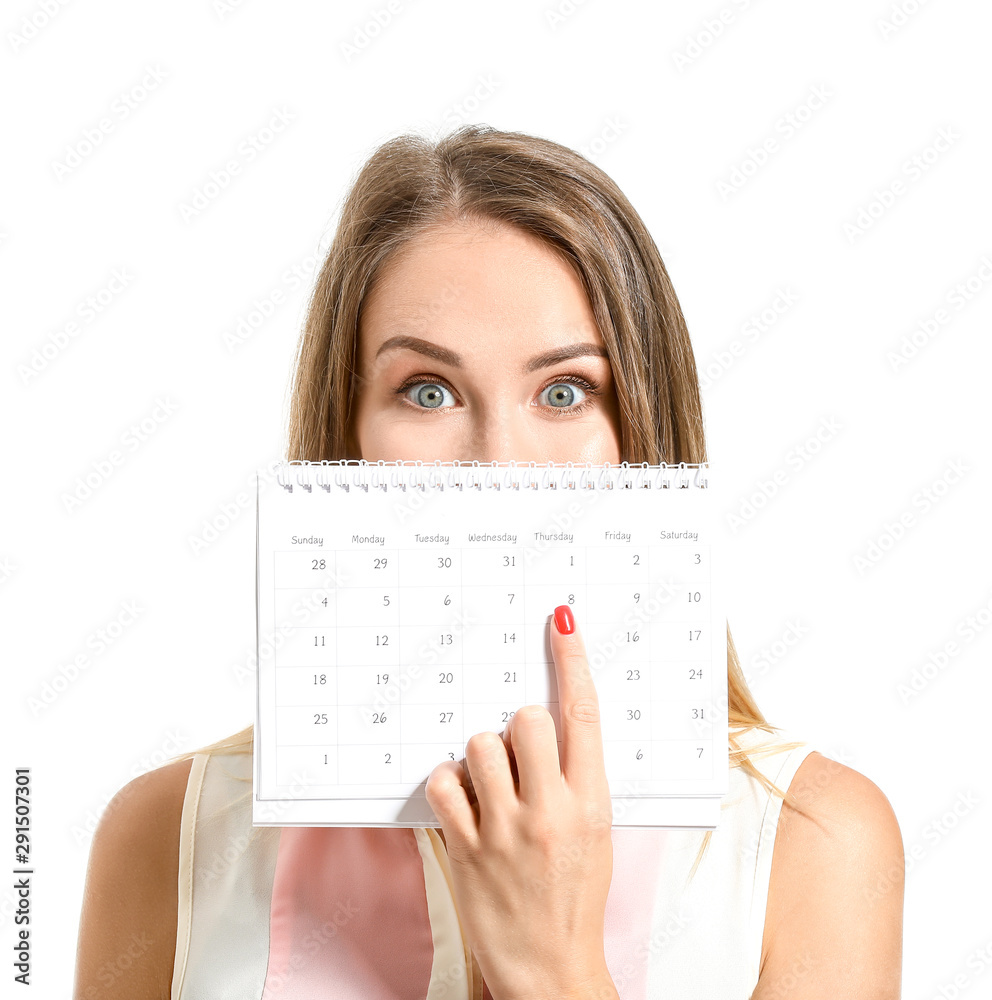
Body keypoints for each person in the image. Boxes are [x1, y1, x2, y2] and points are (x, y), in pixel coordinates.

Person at [73, 125, 904, 1000]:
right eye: (426, 392)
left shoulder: (812, 841)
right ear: (346, 438)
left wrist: (552, 970)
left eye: (565, 391)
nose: (497, 461)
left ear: (643, 437)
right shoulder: (169, 834)